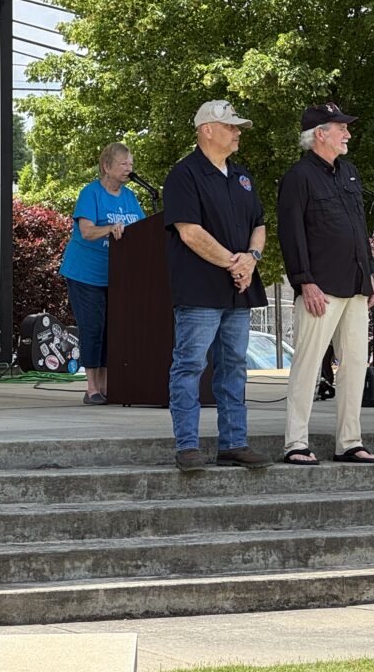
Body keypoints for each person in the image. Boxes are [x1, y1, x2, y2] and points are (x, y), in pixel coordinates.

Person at [163, 100, 272, 473]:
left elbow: (259, 224)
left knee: (235, 367)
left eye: (238, 126)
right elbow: (190, 232)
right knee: (191, 364)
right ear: (206, 129)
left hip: (238, 290)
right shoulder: (184, 174)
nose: (237, 132)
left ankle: (234, 443)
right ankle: (188, 446)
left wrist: (251, 259)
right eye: (230, 126)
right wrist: (234, 263)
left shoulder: (242, 176)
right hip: (200, 290)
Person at [277, 103, 374, 466]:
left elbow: (358, 228)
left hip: (355, 285)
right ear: (320, 134)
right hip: (319, 288)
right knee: (307, 365)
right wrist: (304, 281)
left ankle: (349, 442)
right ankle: (295, 443)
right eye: (341, 128)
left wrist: (368, 274)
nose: (347, 134)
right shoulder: (299, 176)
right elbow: (291, 233)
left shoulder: (349, 172)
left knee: (355, 365)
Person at [59, 143, 145, 404]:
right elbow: (87, 231)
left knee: (112, 329)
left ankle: (107, 385)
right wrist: (109, 228)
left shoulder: (130, 197)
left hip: (117, 276)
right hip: (86, 273)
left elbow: (143, 230)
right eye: (123, 164)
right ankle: (92, 388)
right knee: (93, 327)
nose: (129, 168)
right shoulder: (91, 193)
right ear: (106, 167)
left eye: (131, 164)